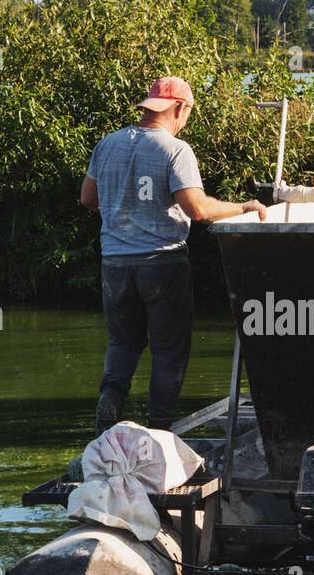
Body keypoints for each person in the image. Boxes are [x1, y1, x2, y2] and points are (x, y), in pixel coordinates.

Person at [81, 76, 266, 434]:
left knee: (123, 341)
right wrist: (244, 206)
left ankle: (110, 402)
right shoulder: (174, 150)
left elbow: (88, 199)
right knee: (169, 351)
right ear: (179, 108)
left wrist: (124, 212)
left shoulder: (107, 145)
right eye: (188, 112)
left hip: (115, 263)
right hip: (162, 262)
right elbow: (197, 209)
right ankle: (160, 430)